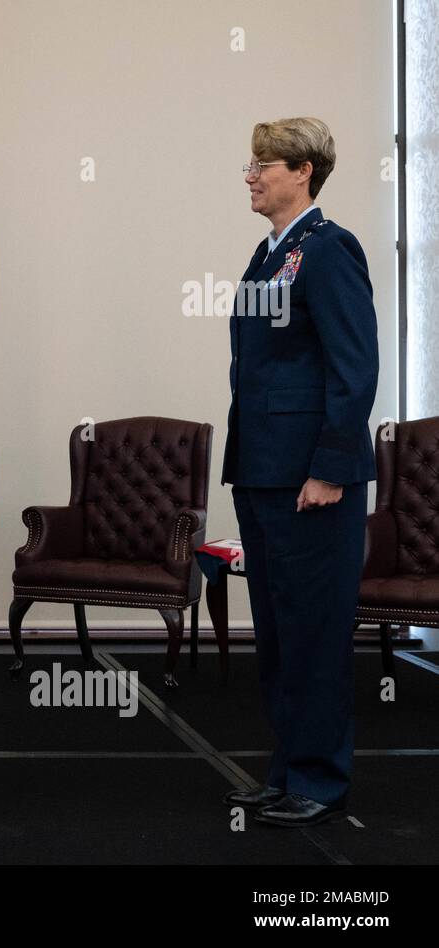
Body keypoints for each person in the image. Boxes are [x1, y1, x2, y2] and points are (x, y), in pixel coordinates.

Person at [222, 117, 378, 827]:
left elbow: (354, 367)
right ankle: (286, 770)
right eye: (251, 164)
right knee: (280, 634)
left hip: (312, 479)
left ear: (303, 172)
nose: (251, 175)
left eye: (264, 164)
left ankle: (320, 778)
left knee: (314, 632)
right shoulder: (267, 255)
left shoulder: (330, 250)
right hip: (262, 472)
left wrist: (331, 468)